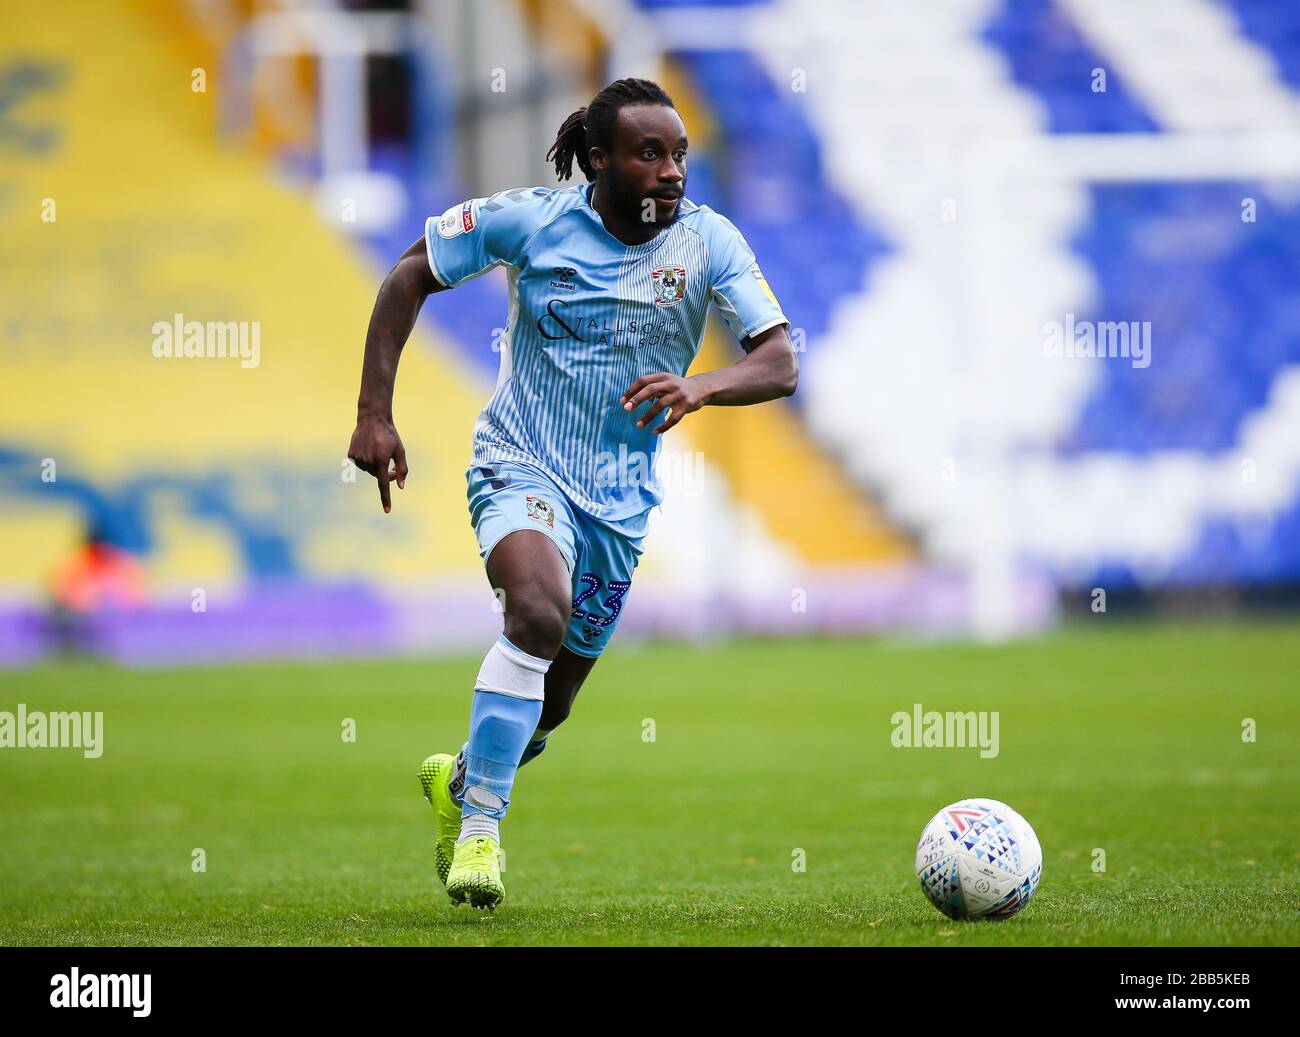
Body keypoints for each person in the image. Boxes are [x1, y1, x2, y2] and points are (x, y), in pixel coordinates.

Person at [347, 77, 798, 910]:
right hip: (519, 459)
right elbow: (408, 273)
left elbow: (778, 361)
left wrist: (704, 386)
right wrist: (376, 412)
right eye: (649, 153)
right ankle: (481, 830)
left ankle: (461, 782)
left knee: (549, 705)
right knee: (536, 613)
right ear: (600, 160)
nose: (671, 171)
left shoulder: (710, 243)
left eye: (679, 154)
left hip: (620, 498)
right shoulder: (534, 220)